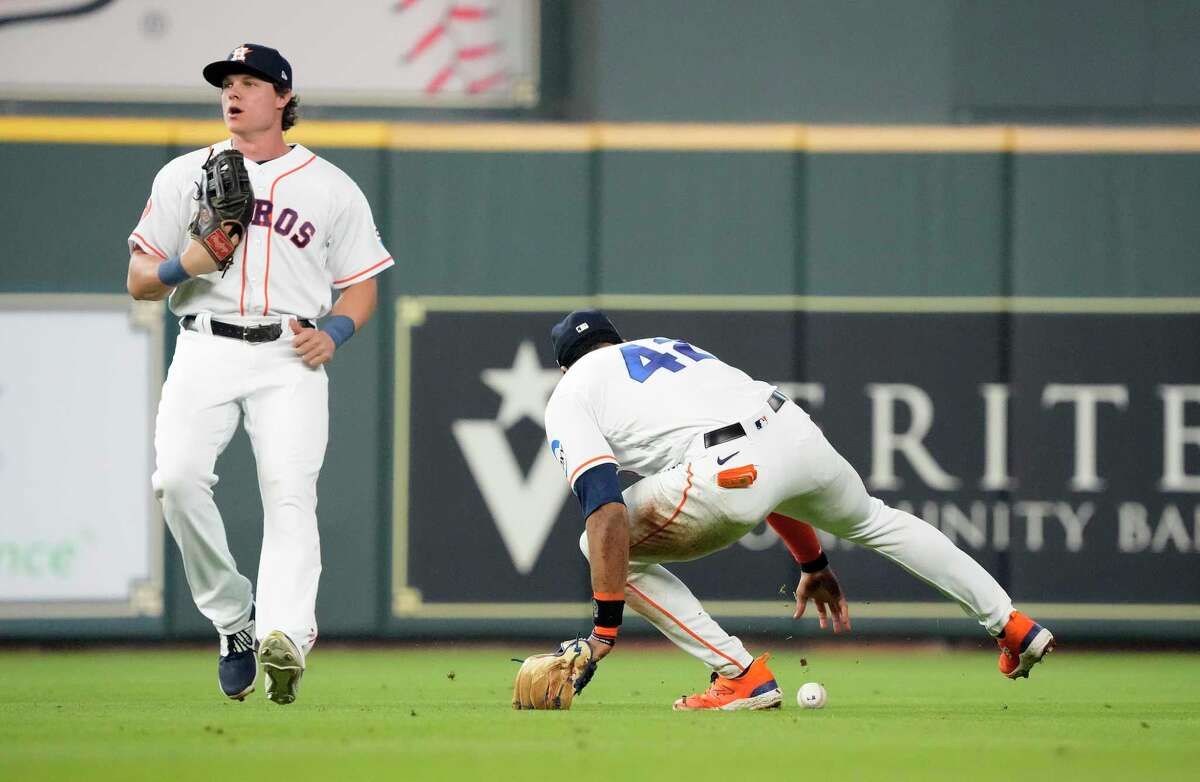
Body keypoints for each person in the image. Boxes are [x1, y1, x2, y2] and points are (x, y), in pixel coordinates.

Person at [543, 310, 1054, 711]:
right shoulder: (668, 349)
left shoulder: (570, 393)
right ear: (615, 339)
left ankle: (740, 676)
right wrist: (811, 561)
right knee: (876, 519)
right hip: (792, 429)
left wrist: (603, 632)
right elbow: (771, 470)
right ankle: (1011, 623)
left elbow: (605, 509)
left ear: (564, 365)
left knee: (599, 546)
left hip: (726, 464)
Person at [125, 44, 393, 704]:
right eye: (227, 83)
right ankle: (235, 620)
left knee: (289, 490)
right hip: (205, 343)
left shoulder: (331, 187)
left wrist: (334, 333)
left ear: (282, 99)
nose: (233, 92)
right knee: (177, 482)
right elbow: (137, 280)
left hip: (288, 353)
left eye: (249, 82)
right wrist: (183, 265)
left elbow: (361, 287)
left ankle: (286, 634)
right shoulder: (184, 175)